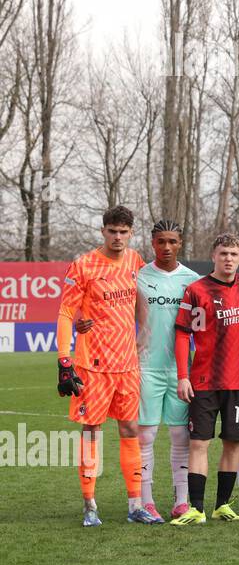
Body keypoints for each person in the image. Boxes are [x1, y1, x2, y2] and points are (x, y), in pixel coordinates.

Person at [57, 205, 150, 526]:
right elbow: (67, 313)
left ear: (131, 233)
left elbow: (140, 298)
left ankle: (135, 506)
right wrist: (64, 360)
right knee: (92, 431)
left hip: (127, 366)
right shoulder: (83, 265)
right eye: (113, 231)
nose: (118, 237)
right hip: (92, 366)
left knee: (130, 430)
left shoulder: (136, 260)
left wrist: (144, 332)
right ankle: (90, 505)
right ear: (103, 232)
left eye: (124, 232)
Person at [170, 234, 239, 524]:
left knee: (233, 442)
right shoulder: (196, 290)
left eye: (234, 253)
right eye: (223, 254)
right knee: (199, 443)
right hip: (204, 380)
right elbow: (183, 333)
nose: (228, 259)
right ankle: (196, 508)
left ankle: (222, 505)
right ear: (214, 256)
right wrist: (183, 376)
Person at [134, 219, 200, 521]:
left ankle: (181, 501)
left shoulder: (193, 281)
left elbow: (200, 330)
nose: (166, 247)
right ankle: (146, 501)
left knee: (180, 436)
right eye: (161, 241)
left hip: (181, 371)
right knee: (145, 436)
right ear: (152, 243)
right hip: (146, 367)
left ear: (181, 243)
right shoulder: (138, 277)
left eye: (172, 241)